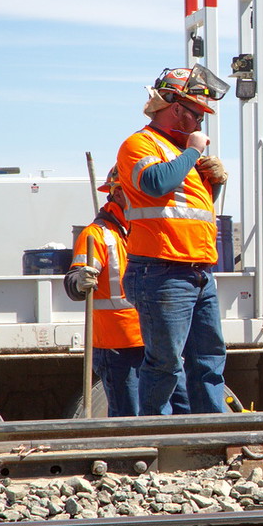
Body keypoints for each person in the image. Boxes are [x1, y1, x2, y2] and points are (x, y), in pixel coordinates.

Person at [116, 65, 232, 415]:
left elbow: (193, 212)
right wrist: (193, 154)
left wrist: (215, 182)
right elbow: (154, 184)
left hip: (197, 272)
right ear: (176, 108)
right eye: (196, 114)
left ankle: (213, 433)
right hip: (161, 273)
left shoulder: (179, 154)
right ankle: (157, 435)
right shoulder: (140, 144)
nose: (200, 124)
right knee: (165, 364)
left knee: (209, 361)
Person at [63, 166, 161, 416]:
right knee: (129, 419)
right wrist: (80, 280)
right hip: (117, 347)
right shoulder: (96, 235)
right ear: (117, 194)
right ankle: (126, 457)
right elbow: (73, 282)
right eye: (137, 192)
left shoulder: (143, 230)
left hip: (152, 341)